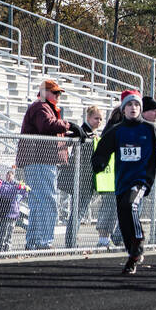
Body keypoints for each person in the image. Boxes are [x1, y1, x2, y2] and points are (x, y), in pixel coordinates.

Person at [93, 90, 156, 274]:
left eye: (137, 105)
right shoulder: (117, 131)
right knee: (123, 217)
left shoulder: (150, 129)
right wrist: (98, 163)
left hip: (141, 180)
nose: (133, 108)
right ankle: (132, 257)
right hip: (122, 180)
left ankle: (139, 240)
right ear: (123, 109)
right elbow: (102, 151)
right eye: (129, 105)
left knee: (131, 205)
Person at [16, 79, 82, 250]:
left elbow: (50, 133)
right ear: (44, 92)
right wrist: (69, 125)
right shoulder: (41, 106)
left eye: (59, 93)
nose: (58, 96)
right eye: (55, 92)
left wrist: (68, 137)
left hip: (41, 160)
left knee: (39, 202)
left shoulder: (46, 107)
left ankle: (35, 241)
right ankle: (43, 241)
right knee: (47, 201)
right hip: (40, 161)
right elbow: (46, 125)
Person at [61, 105, 103, 247]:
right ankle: (71, 242)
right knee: (77, 213)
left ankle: (71, 241)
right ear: (88, 118)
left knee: (78, 212)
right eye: (96, 118)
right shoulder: (83, 132)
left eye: (101, 119)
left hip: (86, 179)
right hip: (81, 179)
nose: (99, 121)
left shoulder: (92, 134)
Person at [0, 167, 29, 253]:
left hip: (13, 214)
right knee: (1, 234)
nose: (9, 176)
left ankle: (7, 251)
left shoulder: (16, 185)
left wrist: (23, 189)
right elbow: (5, 192)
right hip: (3, 214)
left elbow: (23, 193)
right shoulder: (1, 184)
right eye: (7, 174)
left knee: (9, 235)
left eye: (11, 174)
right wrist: (17, 189)